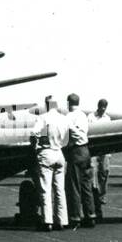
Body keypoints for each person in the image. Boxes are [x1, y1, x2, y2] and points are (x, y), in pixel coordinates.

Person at [32, 97, 70, 231]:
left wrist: (36, 146)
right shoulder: (64, 118)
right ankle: (62, 220)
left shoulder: (42, 118)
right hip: (59, 153)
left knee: (45, 189)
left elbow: (34, 133)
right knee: (60, 189)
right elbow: (66, 139)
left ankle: (47, 221)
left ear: (46, 105)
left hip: (46, 153)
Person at [63, 92, 96, 228]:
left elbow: (68, 132)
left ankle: (75, 217)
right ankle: (91, 215)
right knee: (86, 185)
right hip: (85, 151)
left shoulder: (68, 117)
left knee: (74, 186)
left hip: (75, 152)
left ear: (68, 103)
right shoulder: (83, 115)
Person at [90, 98, 110, 218]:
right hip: (93, 149)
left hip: (105, 149)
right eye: (101, 107)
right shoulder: (91, 117)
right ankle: (95, 195)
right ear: (98, 106)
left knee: (104, 172)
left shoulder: (107, 119)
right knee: (93, 172)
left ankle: (102, 195)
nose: (102, 109)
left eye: (104, 107)